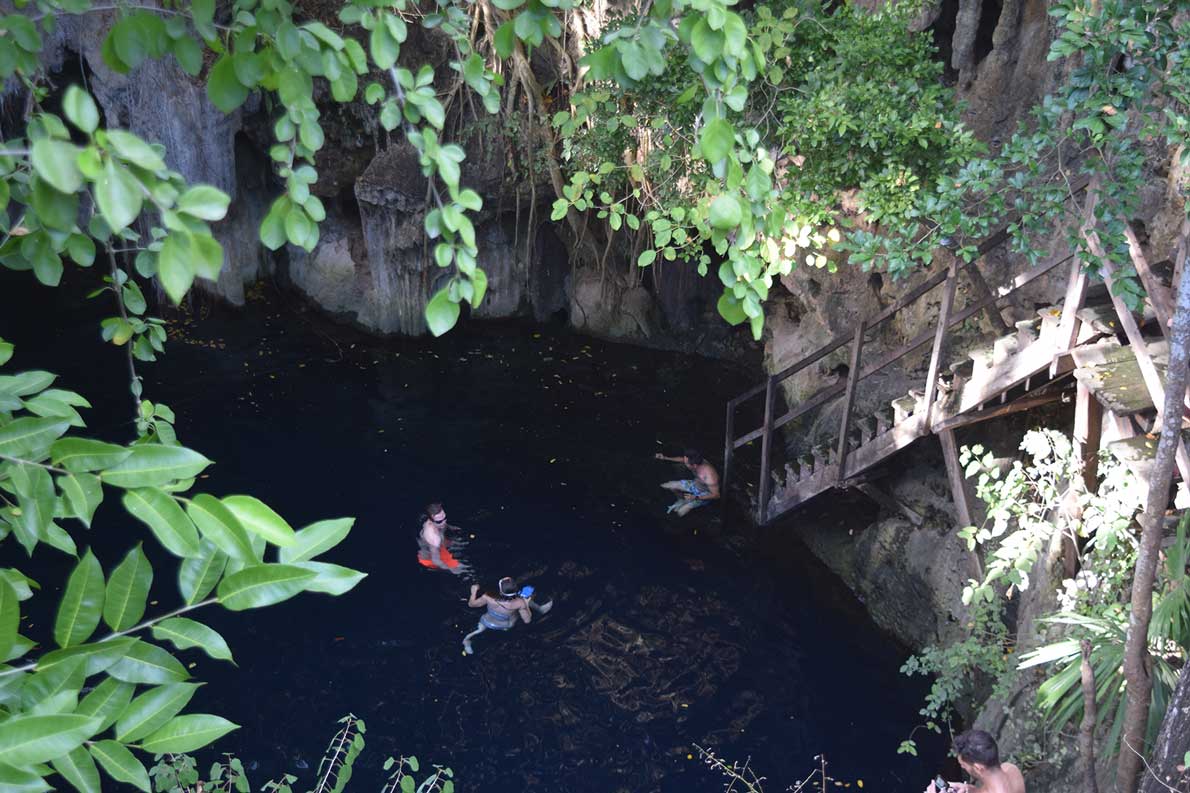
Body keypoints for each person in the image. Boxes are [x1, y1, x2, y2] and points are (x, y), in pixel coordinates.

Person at [462, 577, 545, 655]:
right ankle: (540, 609)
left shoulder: (488, 597)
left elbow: (471, 604)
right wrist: (526, 603)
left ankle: (467, 640)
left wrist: (474, 592)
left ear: (500, 590)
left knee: (478, 630)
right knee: (525, 606)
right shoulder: (519, 602)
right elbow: (527, 620)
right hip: (505, 625)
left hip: (486, 621)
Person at [925, 730, 1026, 793]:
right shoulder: (1011, 769)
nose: (963, 768)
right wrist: (968, 789)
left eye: (963, 765)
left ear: (978, 767)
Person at [654, 449, 721, 516]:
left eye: (686, 463)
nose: (684, 463)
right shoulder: (695, 460)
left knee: (681, 511)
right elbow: (682, 459)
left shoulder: (710, 476)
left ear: (694, 465)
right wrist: (665, 458)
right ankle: (681, 500)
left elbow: (716, 495)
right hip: (695, 484)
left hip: (705, 493)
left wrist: (696, 497)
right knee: (669, 485)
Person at [418, 502, 463, 574]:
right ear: (431, 520)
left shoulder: (437, 522)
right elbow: (436, 560)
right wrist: (451, 570)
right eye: (440, 521)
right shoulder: (434, 538)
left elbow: (443, 523)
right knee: (461, 569)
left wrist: (452, 528)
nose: (444, 522)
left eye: (445, 518)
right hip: (429, 559)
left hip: (440, 547)